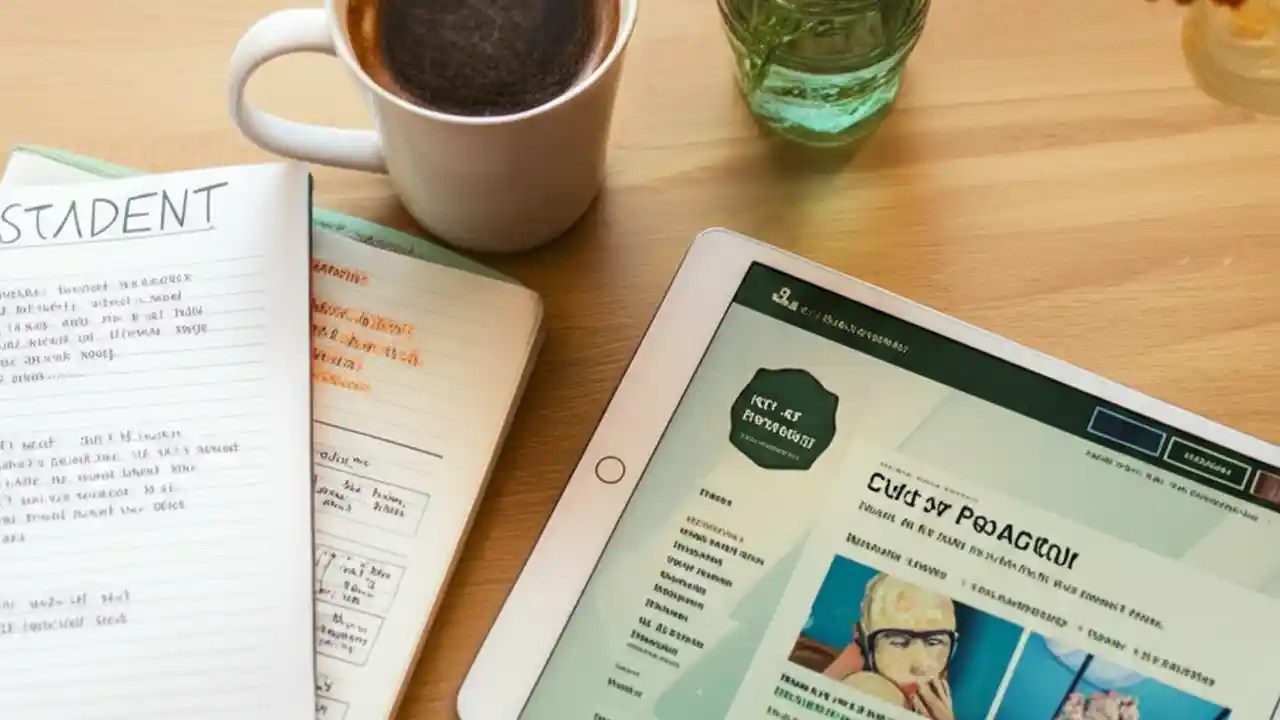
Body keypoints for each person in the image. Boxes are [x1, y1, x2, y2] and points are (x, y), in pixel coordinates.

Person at [823, 573, 958, 720]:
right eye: (899, 643)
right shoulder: (871, 691)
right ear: (862, 640)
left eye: (934, 643)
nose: (920, 666)